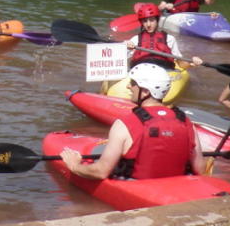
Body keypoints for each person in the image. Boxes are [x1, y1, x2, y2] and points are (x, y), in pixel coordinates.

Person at [60, 63, 203, 180]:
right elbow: (200, 169)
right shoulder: (186, 121)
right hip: (175, 187)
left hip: (137, 187)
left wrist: (74, 166)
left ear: (146, 92)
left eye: (133, 83)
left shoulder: (125, 124)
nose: (129, 86)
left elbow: (100, 172)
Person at [125, 3, 202, 68]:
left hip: (163, 70)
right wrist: (126, 48)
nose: (148, 24)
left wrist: (191, 63)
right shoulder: (135, 40)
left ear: (157, 20)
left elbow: (181, 64)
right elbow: (122, 59)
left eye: (152, 20)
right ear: (142, 23)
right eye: (145, 21)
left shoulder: (169, 39)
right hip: (140, 70)